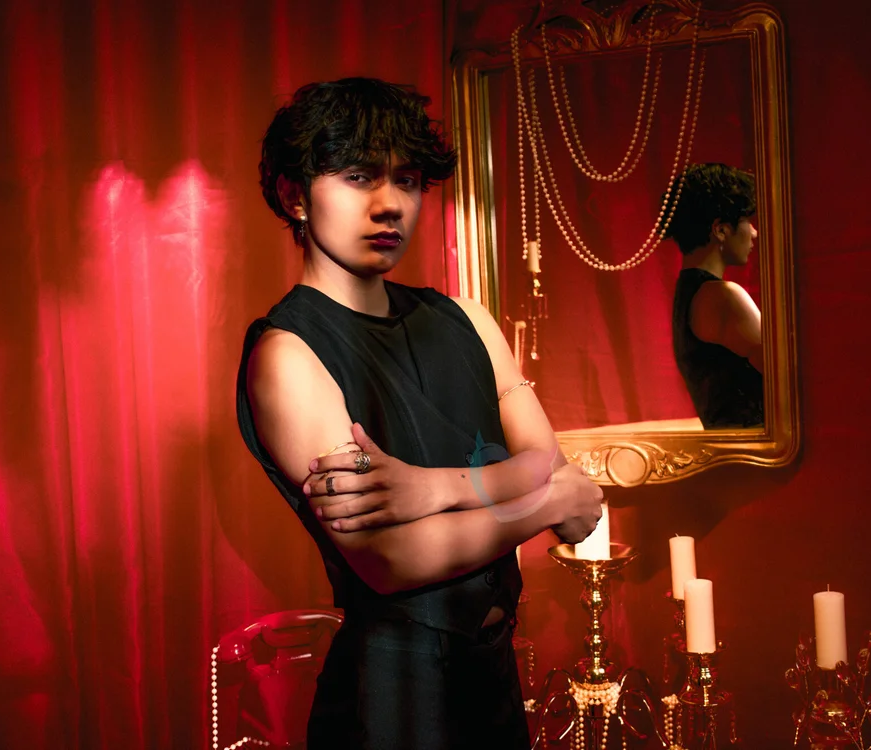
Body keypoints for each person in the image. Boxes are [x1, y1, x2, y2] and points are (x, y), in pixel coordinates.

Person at [234, 78, 604, 750]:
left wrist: (431, 489)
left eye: (406, 180)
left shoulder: (466, 319)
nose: (389, 204)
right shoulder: (287, 353)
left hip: (495, 679)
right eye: (357, 176)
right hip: (394, 700)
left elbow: (549, 463)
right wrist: (548, 501)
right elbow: (391, 558)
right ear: (295, 195)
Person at [663, 162, 764, 429]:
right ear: (720, 229)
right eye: (747, 221)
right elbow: (788, 380)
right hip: (752, 450)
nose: (754, 232)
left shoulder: (688, 293)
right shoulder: (723, 297)